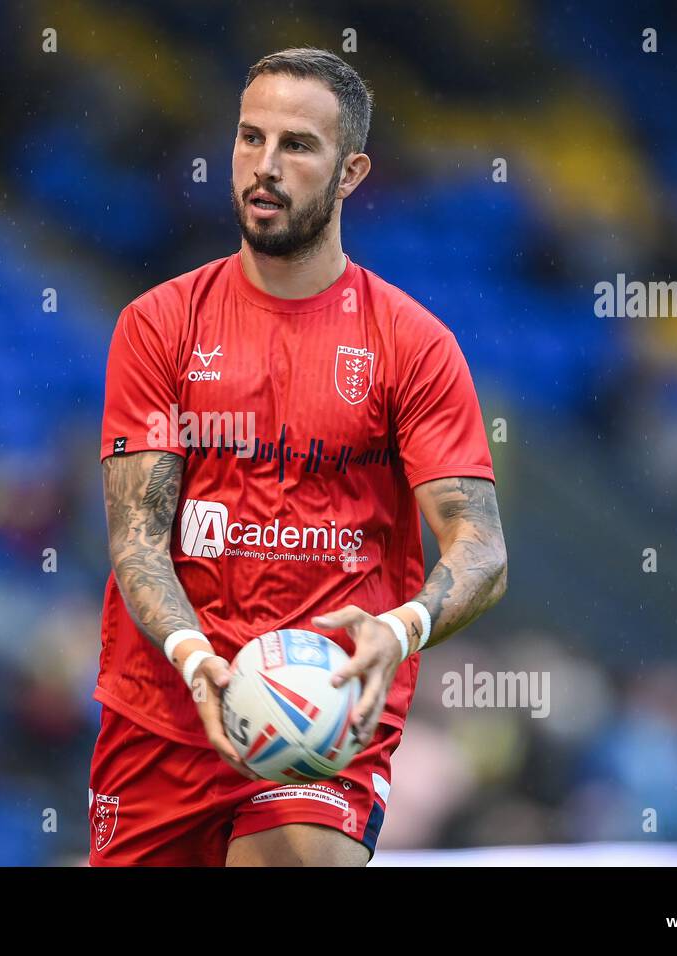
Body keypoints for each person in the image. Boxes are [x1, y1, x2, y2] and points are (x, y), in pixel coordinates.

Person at [90, 48, 508, 866]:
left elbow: (481, 549)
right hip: (164, 707)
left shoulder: (413, 346)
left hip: (325, 714)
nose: (265, 167)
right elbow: (138, 538)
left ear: (352, 172)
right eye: (250, 139)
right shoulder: (158, 325)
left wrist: (402, 626)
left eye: (297, 146)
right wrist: (194, 655)